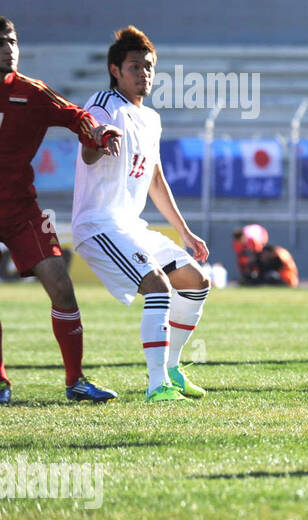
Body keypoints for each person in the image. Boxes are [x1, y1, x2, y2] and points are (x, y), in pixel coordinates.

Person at [72, 26, 211, 402]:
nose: (144, 73)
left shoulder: (150, 119)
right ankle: (156, 386)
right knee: (158, 289)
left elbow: (156, 179)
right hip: (98, 225)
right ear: (115, 70)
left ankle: (172, 369)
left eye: (148, 66)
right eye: (135, 66)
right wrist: (99, 142)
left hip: (131, 226)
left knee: (196, 281)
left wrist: (185, 233)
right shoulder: (102, 104)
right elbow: (87, 151)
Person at [0, 16, 121, 404]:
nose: (9, 49)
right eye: (1, 42)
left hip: (20, 210)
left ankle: (76, 382)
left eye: (13, 41)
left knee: (61, 286)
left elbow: (76, 116)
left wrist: (99, 133)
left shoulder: (31, 93)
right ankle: (0, 381)